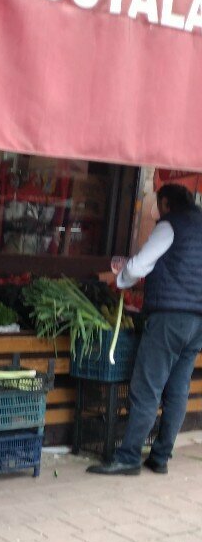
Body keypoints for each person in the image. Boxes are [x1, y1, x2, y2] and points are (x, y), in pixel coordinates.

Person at [88, 183, 202, 476]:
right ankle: (161, 456)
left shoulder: (170, 226)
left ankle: (128, 456)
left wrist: (120, 278)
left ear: (165, 203)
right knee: (178, 388)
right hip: (197, 320)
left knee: (147, 386)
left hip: (169, 317)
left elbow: (139, 266)